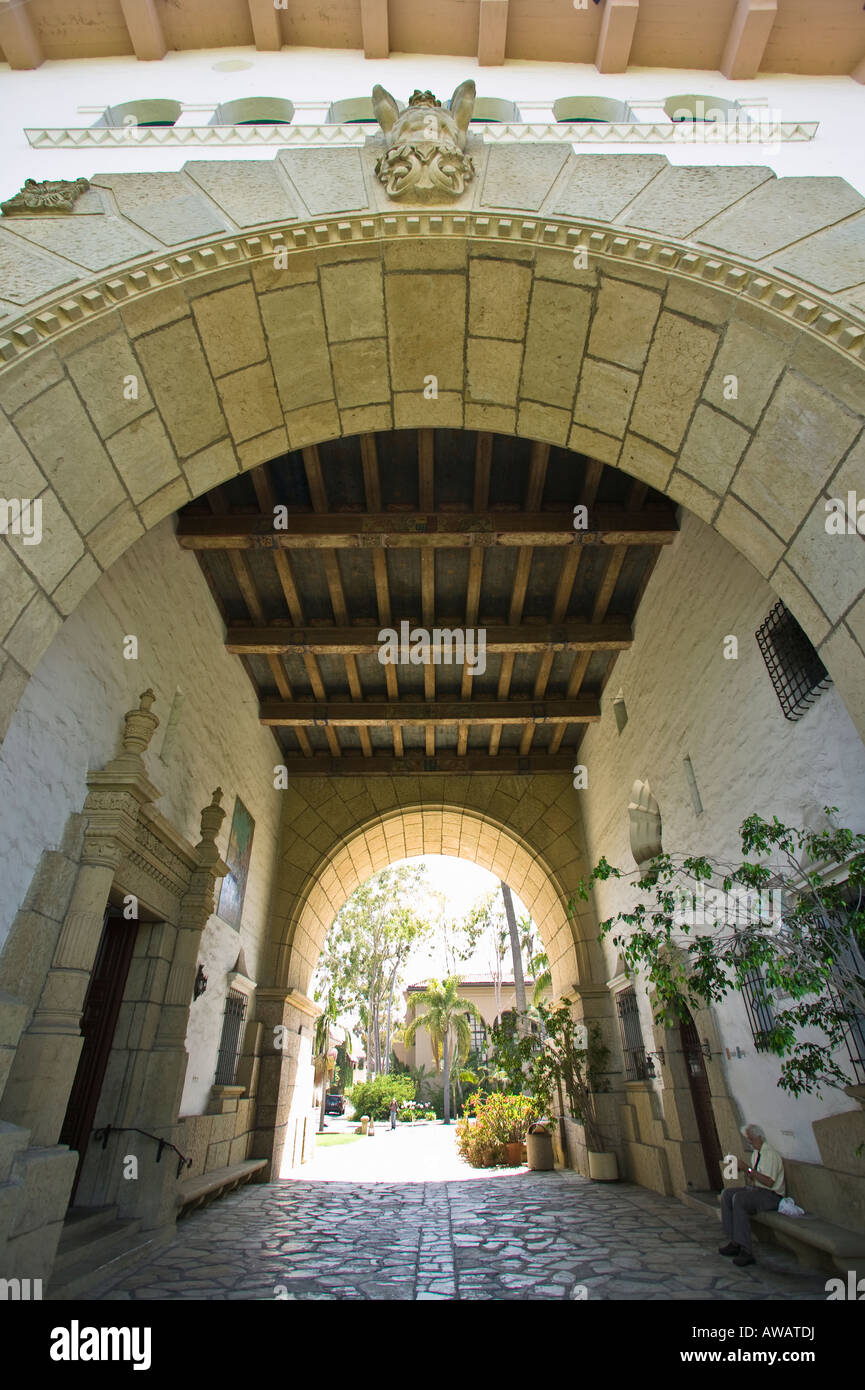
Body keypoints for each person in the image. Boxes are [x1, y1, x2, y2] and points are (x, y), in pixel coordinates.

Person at [719, 1123, 786, 1267]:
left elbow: (768, 1182)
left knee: (740, 1200)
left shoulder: (770, 1155)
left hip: (771, 1195)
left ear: (759, 1137)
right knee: (727, 1194)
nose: (749, 1142)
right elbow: (753, 1178)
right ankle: (734, 1240)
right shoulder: (756, 1154)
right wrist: (744, 1171)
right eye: (748, 1139)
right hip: (756, 1190)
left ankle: (746, 1250)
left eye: (751, 1139)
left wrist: (748, 1169)